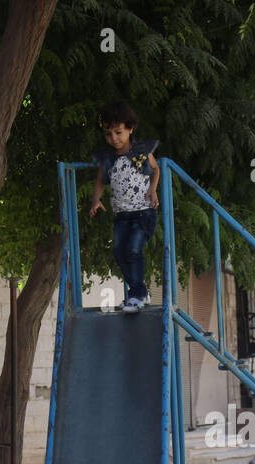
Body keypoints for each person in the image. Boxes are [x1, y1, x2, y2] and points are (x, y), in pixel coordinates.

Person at [89, 101, 160, 313]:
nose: (114, 139)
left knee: (133, 249)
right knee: (119, 251)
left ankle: (137, 294)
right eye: (108, 134)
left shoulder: (140, 151)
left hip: (143, 212)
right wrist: (95, 200)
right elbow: (100, 181)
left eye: (119, 132)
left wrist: (153, 189)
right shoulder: (108, 158)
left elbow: (155, 170)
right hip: (122, 216)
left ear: (130, 129)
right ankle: (138, 292)